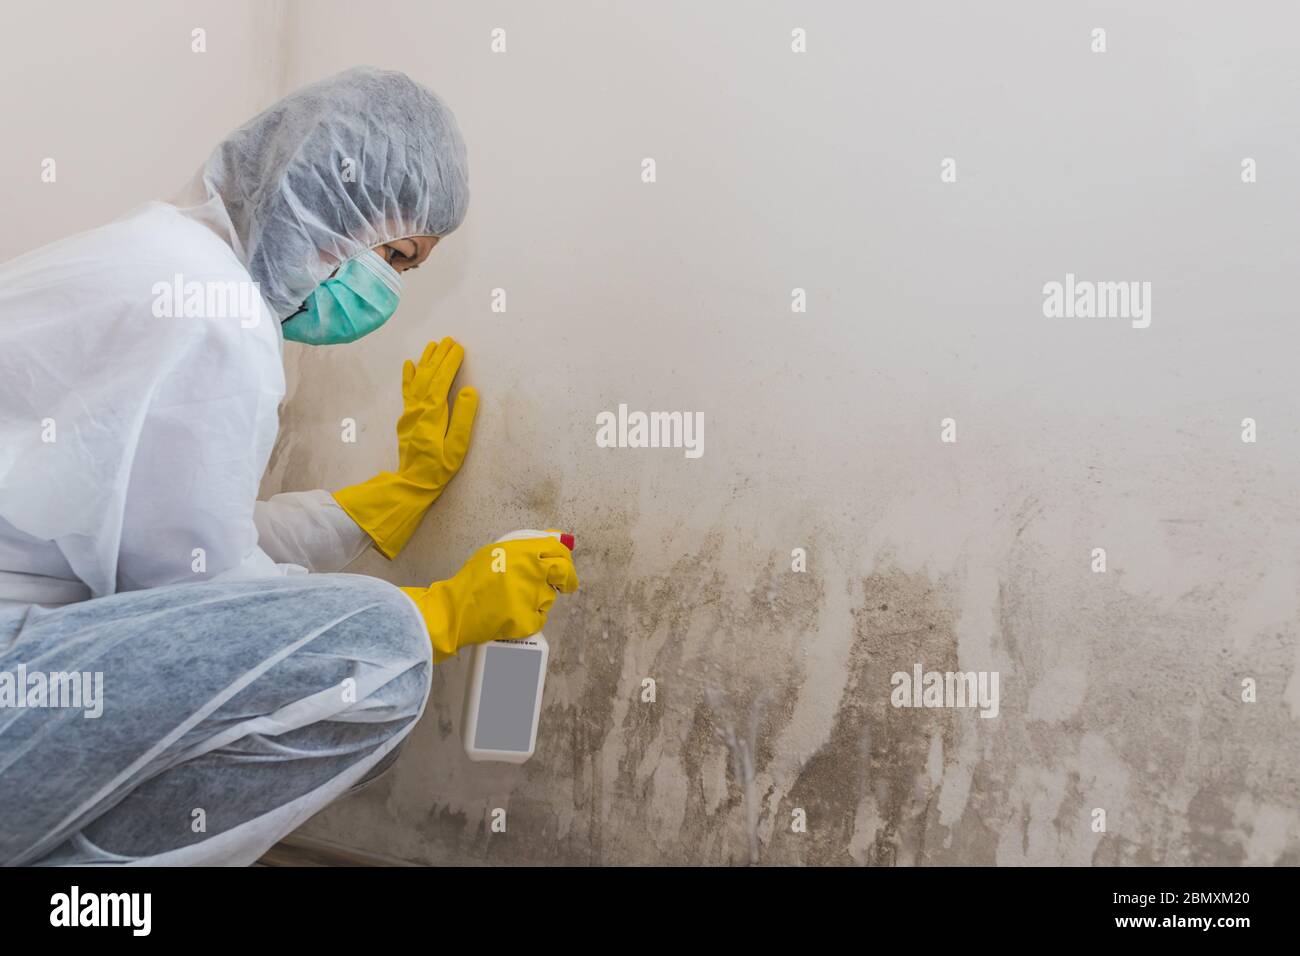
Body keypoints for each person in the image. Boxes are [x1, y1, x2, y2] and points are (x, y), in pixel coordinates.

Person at [0, 67, 578, 866]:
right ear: (322, 198)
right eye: (398, 257)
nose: (386, 293)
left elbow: (185, 553)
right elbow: (202, 606)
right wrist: (439, 616)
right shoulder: (218, 314)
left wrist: (383, 501)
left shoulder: (161, 259)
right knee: (376, 650)